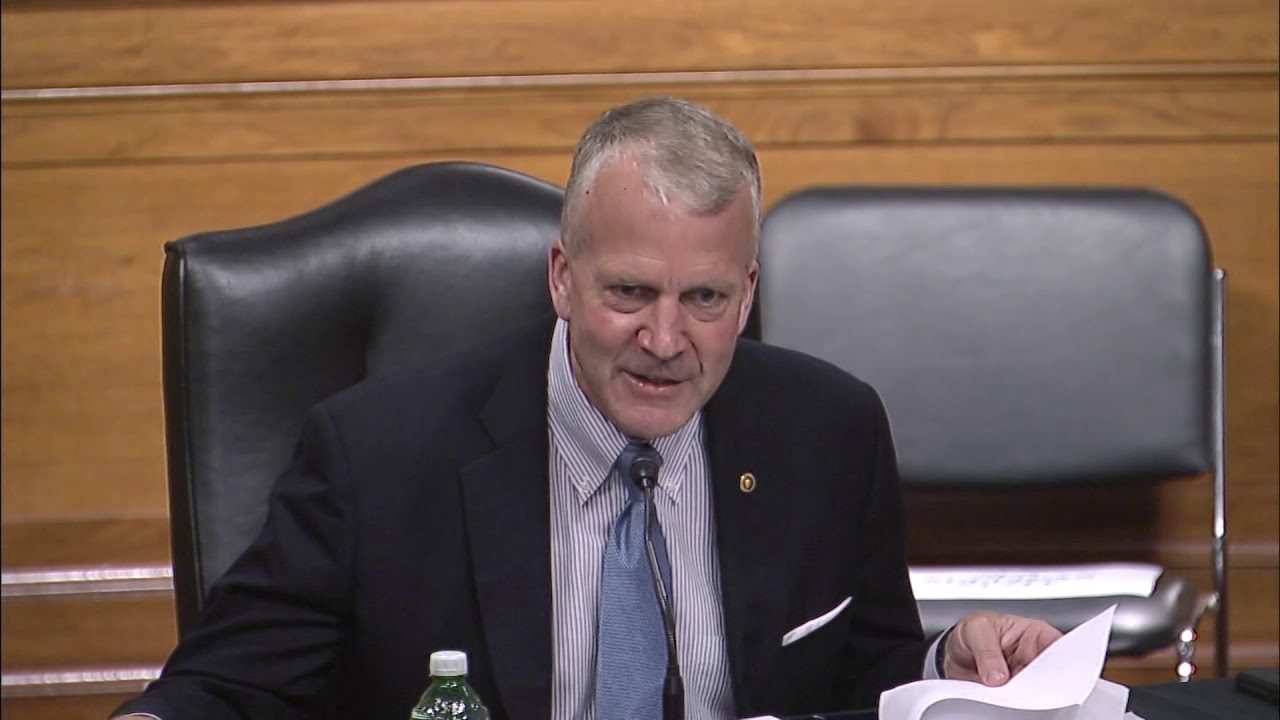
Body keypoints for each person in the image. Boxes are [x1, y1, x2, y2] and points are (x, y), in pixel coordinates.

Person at [114, 97, 1061, 720]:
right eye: (629, 293)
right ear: (563, 280)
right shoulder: (377, 455)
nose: (664, 339)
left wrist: (949, 670)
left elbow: (867, 681)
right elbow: (226, 690)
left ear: (749, 291)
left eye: (705, 300)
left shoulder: (830, 433)